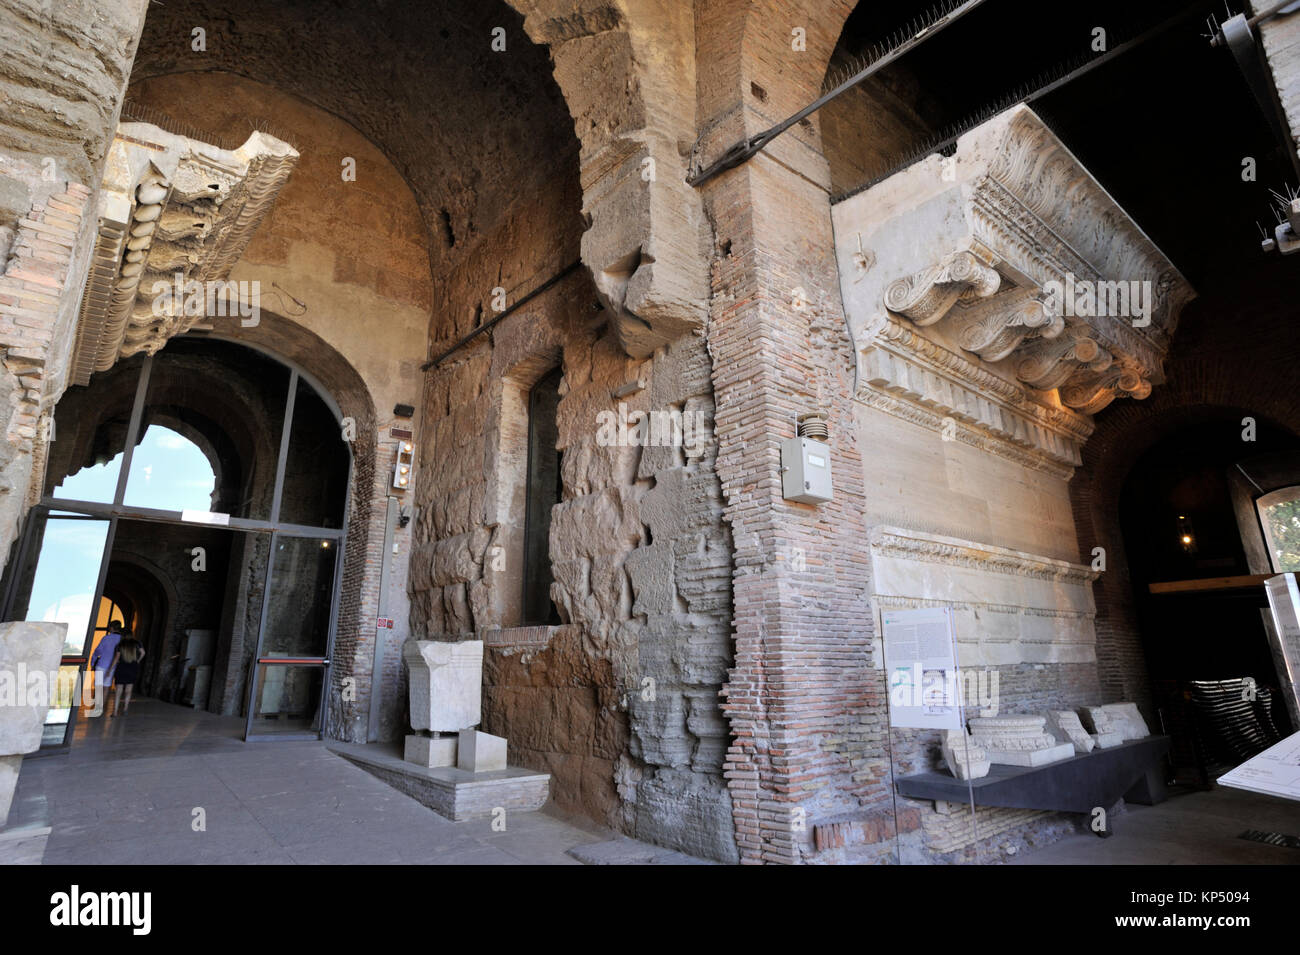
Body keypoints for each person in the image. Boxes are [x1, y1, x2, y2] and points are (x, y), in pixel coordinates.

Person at [108, 631, 145, 716]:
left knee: (118, 691)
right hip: (133, 668)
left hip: (121, 668)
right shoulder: (137, 643)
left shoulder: (120, 645)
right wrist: (138, 661)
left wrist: (110, 670)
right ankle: (125, 709)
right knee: (128, 691)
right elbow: (143, 653)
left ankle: (115, 712)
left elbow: (116, 658)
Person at [90, 620, 124, 697]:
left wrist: (92, 663)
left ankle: (96, 706)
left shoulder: (106, 638)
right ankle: (101, 706)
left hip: (101, 665)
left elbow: (98, 651)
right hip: (113, 667)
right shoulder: (122, 639)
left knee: (98, 686)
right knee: (106, 687)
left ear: (112, 628)